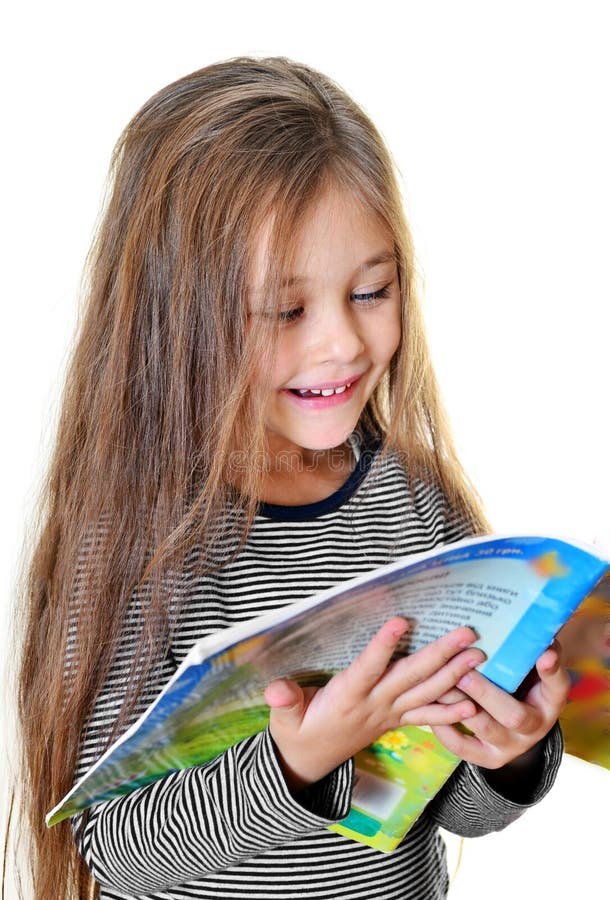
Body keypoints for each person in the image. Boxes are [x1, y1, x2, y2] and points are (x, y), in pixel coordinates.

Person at [15, 56, 569, 900]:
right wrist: (296, 761)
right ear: (176, 317)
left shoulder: (418, 505)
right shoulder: (135, 540)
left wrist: (510, 753)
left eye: (371, 291)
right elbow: (117, 851)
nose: (340, 343)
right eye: (286, 310)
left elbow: (430, 806)